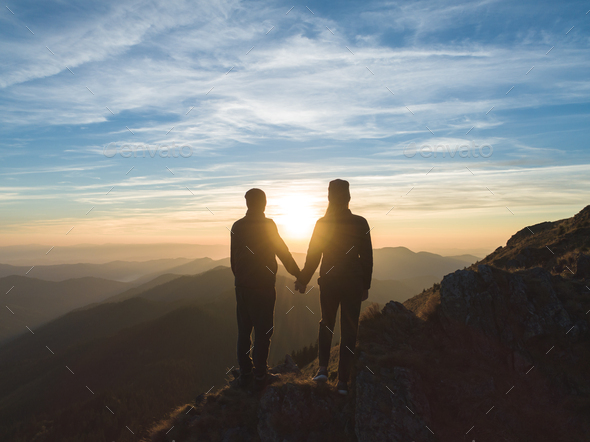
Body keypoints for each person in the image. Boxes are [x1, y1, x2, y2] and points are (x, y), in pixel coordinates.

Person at [295, 179, 373, 395]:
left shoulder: (323, 224)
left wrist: (303, 280)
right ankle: (342, 382)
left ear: (329, 197)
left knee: (326, 322)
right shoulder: (360, 223)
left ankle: (321, 369)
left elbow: (313, 255)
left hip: (329, 281)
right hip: (353, 283)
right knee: (349, 329)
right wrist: (365, 284)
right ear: (348, 197)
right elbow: (367, 257)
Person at [231, 188, 301, 391]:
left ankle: (245, 375)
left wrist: (240, 278)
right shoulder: (267, 225)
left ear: (247, 203)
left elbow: (233, 258)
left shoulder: (237, 226)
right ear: (264, 204)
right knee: (264, 332)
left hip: (242, 287)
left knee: (244, 332)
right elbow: (282, 251)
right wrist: (299, 274)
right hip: (263, 286)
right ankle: (260, 375)